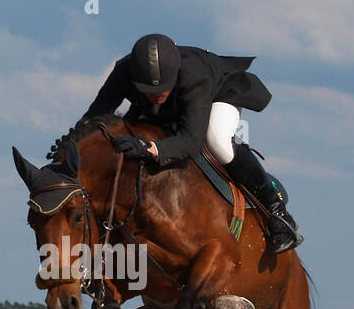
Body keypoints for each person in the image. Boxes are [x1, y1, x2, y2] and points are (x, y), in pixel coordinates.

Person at [80, 33, 301, 253]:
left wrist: (151, 149)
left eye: (163, 87)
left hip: (217, 94)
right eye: (151, 89)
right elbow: (96, 117)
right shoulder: (123, 71)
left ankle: (278, 213)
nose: (158, 93)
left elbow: (191, 140)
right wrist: (72, 147)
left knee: (218, 143)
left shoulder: (193, 76)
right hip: (169, 104)